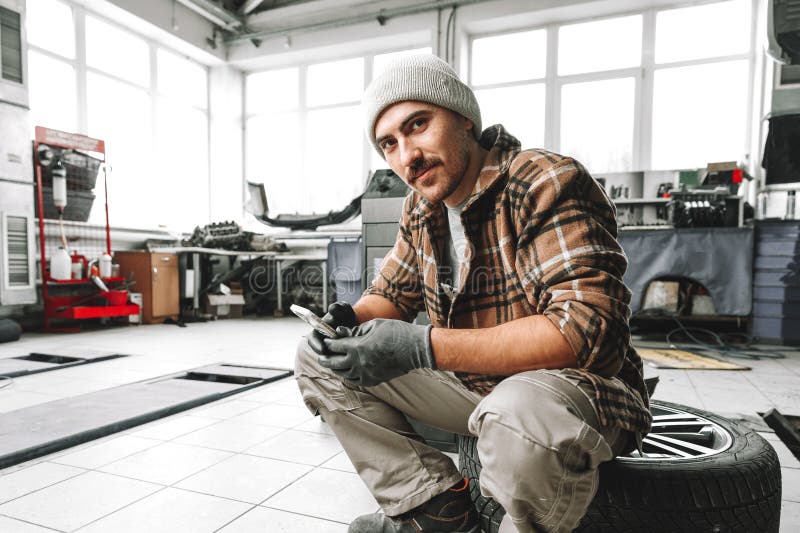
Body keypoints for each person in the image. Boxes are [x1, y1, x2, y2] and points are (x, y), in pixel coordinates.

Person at [295, 54, 652, 533]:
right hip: (478, 389)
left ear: (464, 117)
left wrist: (420, 346)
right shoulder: (423, 208)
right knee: (317, 359)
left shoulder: (544, 181)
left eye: (417, 125)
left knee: (516, 410)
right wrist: (350, 318)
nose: (408, 156)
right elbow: (392, 295)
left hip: (577, 393)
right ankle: (434, 510)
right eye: (389, 145)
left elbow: (585, 334)